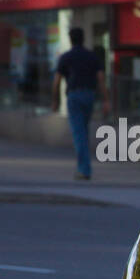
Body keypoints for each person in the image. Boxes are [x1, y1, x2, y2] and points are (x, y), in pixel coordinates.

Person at [51, 27, 109, 180]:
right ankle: (83, 167)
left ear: (70, 40)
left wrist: (55, 100)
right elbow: (101, 79)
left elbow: (56, 81)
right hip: (89, 96)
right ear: (83, 39)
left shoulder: (66, 57)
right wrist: (106, 100)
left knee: (79, 133)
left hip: (74, 96)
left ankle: (84, 170)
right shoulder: (92, 56)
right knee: (83, 130)